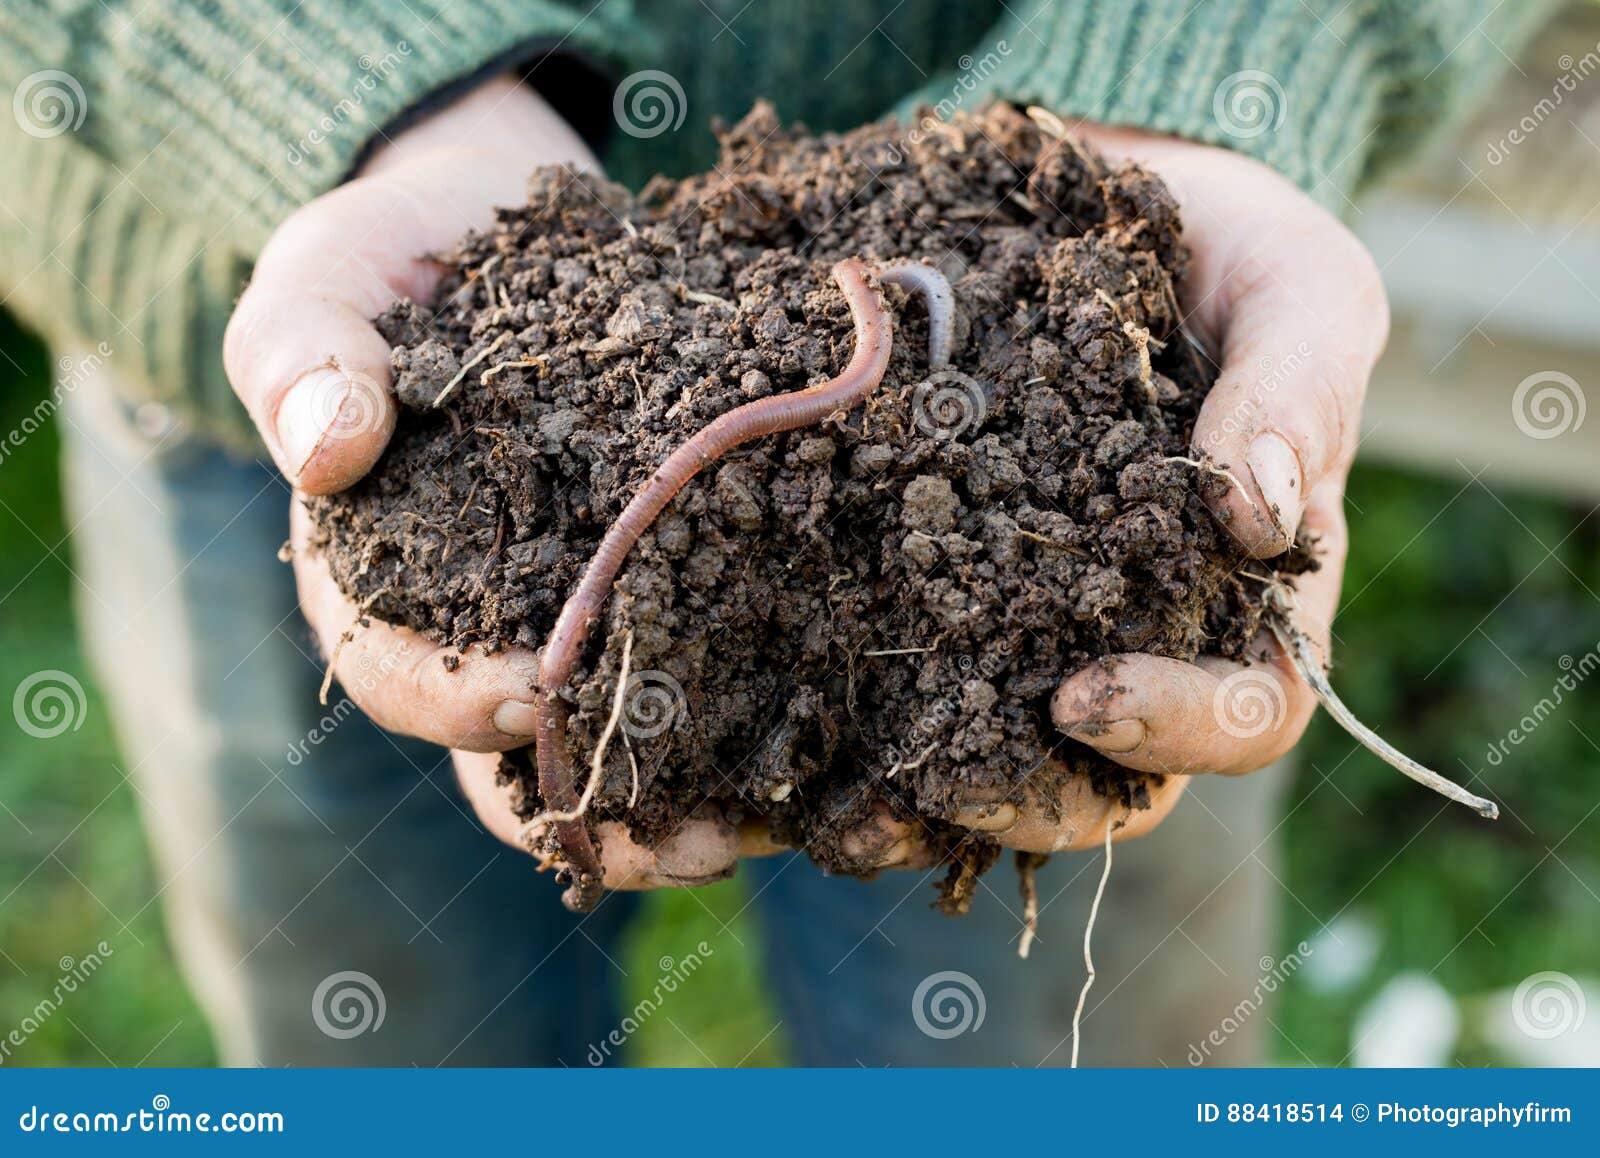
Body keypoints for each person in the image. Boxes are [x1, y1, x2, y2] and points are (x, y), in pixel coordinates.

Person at [0, 0, 1560, 1066]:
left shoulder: (1075, 416)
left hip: (1079, 484)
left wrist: (1228, 65)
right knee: (386, 1055)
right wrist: (350, 89)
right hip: (345, 350)